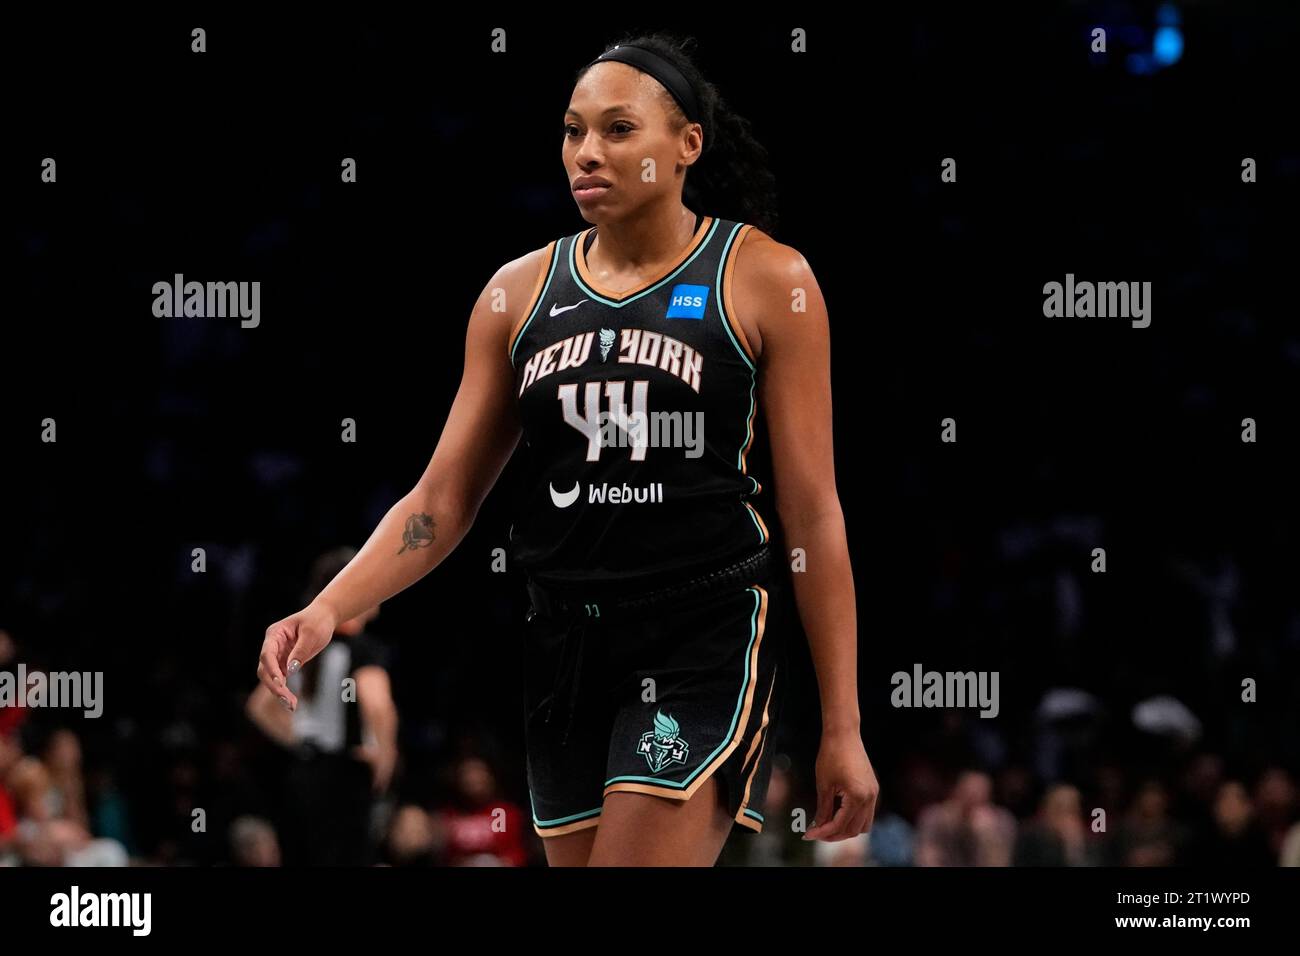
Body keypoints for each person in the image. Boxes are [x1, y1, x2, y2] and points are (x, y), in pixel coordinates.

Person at [257, 31, 877, 867]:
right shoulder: (516, 294)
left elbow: (813, 514)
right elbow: (441, 502)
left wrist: (843, 723)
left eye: (619, 130)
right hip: (564, 645)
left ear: (687, 144)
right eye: (572, 130)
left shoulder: (768, 279)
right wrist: (329, 606)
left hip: (704, 633)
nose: (587, 152)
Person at [248, 546, 397, 865]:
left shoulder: (306, 646)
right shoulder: (363, 649)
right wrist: (385, 756)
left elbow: (259, 706)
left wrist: (302, 740)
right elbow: (378, 705)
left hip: (304, 772)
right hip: (345, 775)